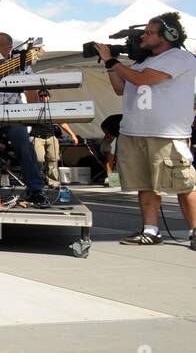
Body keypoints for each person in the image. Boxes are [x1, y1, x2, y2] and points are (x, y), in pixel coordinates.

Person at [94, 13, 196, 248]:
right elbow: (120, 88)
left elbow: (143, 80)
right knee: (145, 184)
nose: (143, 36)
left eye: (149, 32)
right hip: (134, 132)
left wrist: (112, 61)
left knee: (183, 184)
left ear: (169, 36)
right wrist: (110, 66)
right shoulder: (141, 62)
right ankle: (150, 230)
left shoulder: (179, 58)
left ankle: (194, 230)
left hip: (166, 133)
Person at [0, 32, 50, 208]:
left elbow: (32, 91)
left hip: (13, 115)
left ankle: (36, 190)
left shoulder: (20, 66)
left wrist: (30, 115)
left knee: (23, 145)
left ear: (8, 48)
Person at [28, 89, 80, 188]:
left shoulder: (53, 108)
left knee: (53, 160)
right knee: (38, 159)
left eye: (45, 95)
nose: (43, 97)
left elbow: (62, 122)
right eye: (41, 96)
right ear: (38, 97)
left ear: (49, 97)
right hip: (37, 137)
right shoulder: (33, 107)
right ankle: (37, 182)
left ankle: (53, 182)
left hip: (51, 137)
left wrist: (72, 134)